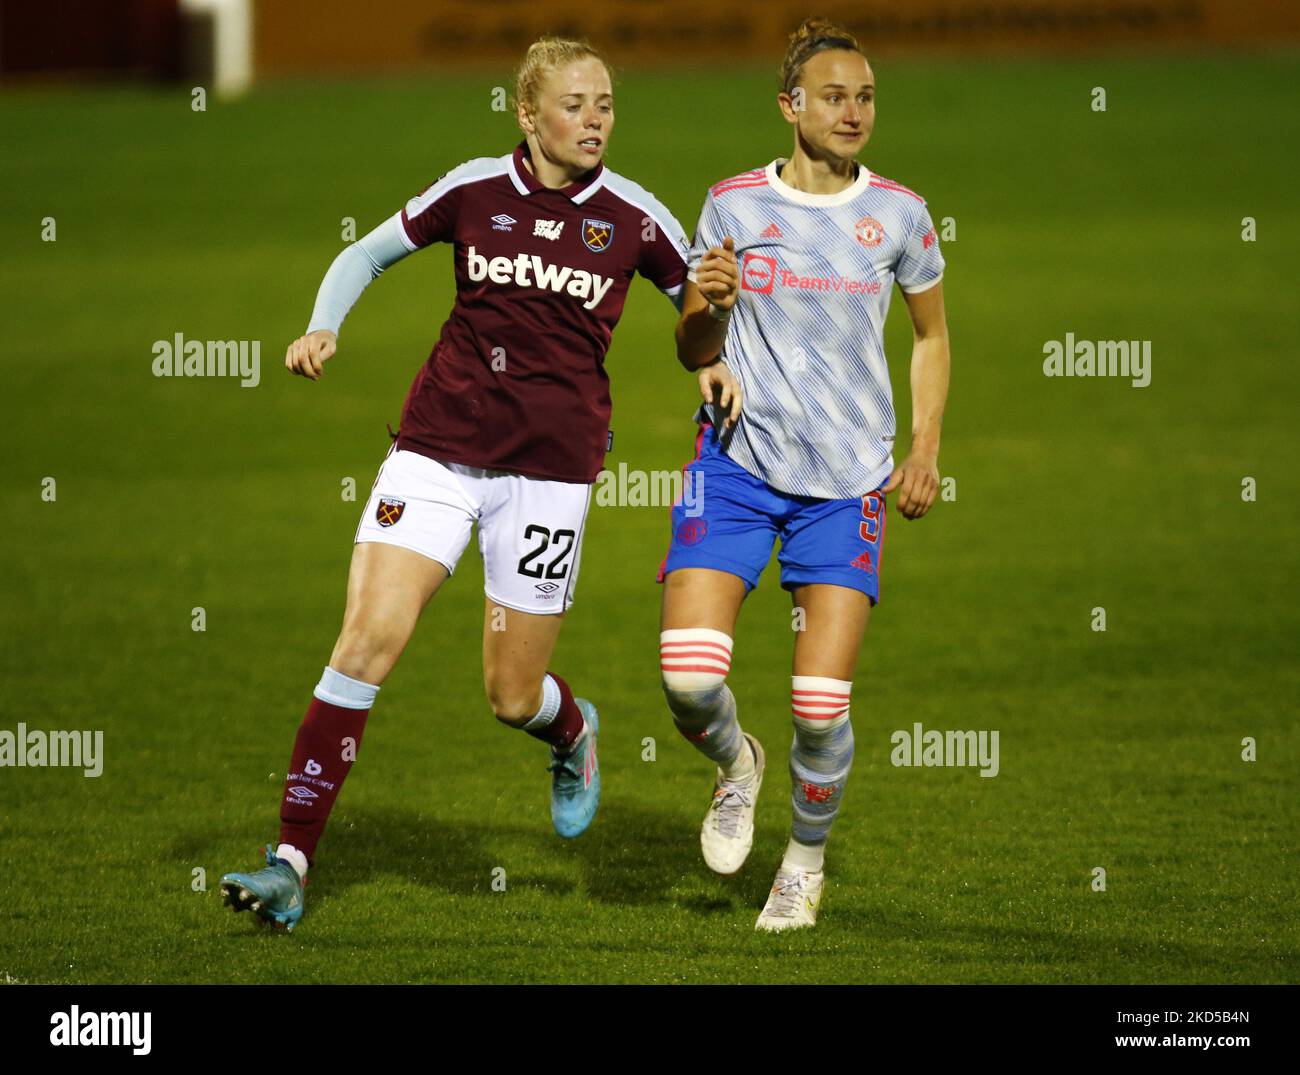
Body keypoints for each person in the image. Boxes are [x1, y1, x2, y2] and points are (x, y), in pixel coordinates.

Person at [219, 35, 739, 930]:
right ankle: (291, 859)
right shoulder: (473, 189)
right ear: (527, 113)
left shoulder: (636, 216)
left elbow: (695, 308)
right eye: (574, 106)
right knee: (365, 641)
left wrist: (710, 364)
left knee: (509, 695)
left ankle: (570, 730)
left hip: (550, 473)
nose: (594, 122)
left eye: (606, 104)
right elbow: (366, 254)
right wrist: (322, 324)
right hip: (437, 448)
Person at [658, 17, 951, 931]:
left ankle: (803, 863)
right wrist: (713, 308)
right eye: (833, 95)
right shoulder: (732, 206)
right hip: (737, 465)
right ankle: (736, 767)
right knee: (687, 681)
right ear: (789, 105)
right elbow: (690, 346)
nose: (853, 111)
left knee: (821, 705)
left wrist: (926, 448)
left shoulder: (900, 214)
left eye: (864, 95)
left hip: (850, 478)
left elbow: (932, 336)